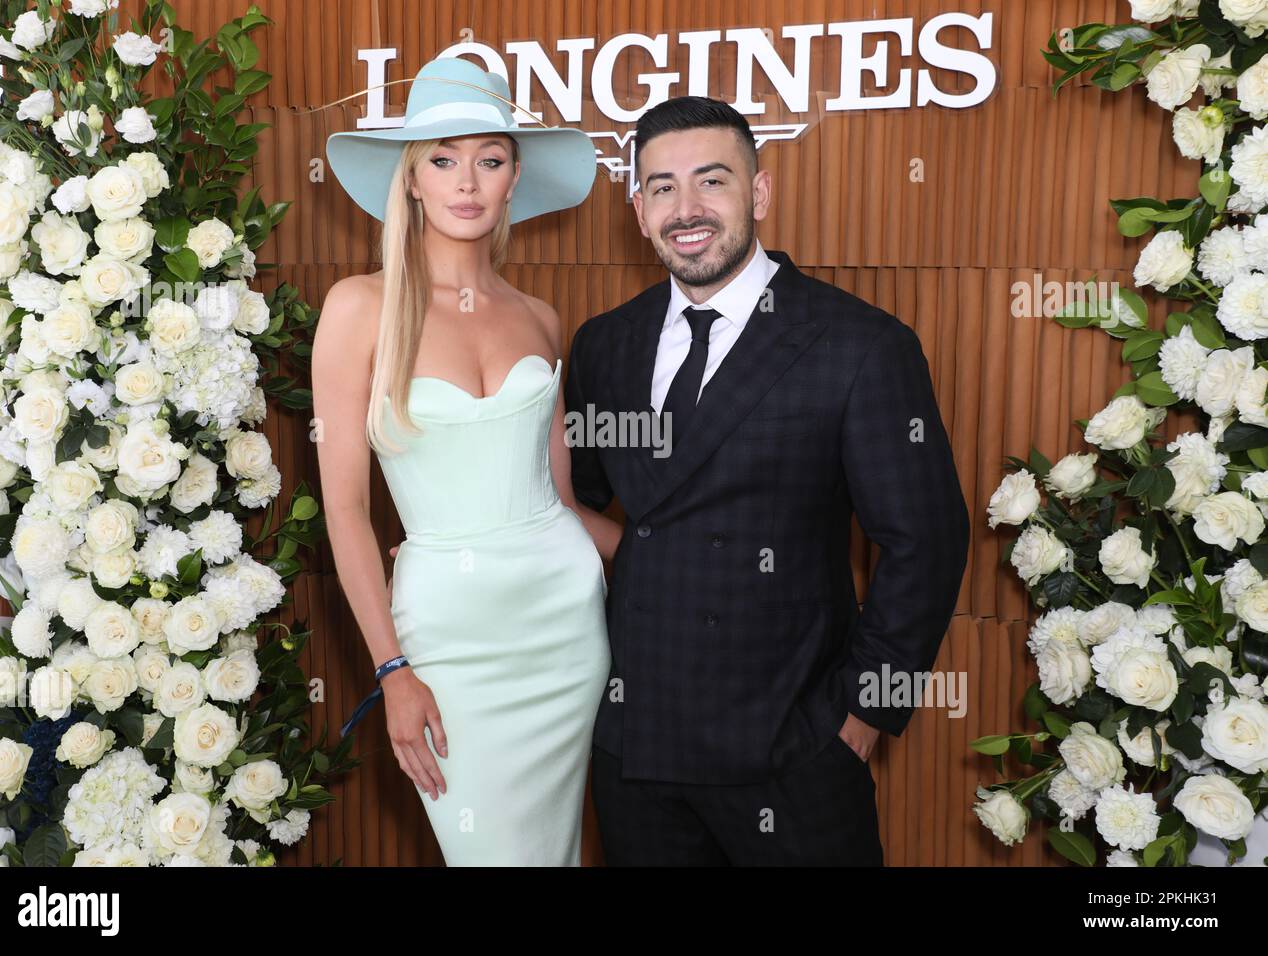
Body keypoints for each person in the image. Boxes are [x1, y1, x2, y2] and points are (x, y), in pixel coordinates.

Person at [566, 96, 971, 865]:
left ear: (759, 193)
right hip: (635, 747)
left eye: (711, 182)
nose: (687, 209)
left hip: (794, 751)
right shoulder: (604, 345)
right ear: (638, 208)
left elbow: (929, 542)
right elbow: (571, 510)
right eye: (661, 187)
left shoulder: (858, 344)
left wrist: (859, 719)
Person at [312, 57, 620, 865]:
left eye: (489, 158)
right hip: (445, 642)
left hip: (565, 629)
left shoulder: (542, 318)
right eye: (442, 160)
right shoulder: (358, 307)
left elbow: (559, 501)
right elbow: (344, 509)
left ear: (515, 176)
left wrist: (684, 557)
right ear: (410, 180)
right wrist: (392, 671)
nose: (467, 181)